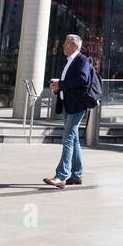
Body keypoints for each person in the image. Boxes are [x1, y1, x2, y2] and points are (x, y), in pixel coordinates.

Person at [44, 34, 92, 188]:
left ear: (76, 46)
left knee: (68, 138)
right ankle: (77, 175)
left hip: (77, 105)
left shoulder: (81, 60)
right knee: (74, 139)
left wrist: (62, 84)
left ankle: (61, 176)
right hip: (68, 104)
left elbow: (83, 79)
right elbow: (71, 82)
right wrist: (59, 85)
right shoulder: (70, 61)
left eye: (67, 43)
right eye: (64, 43)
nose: (64, 46)